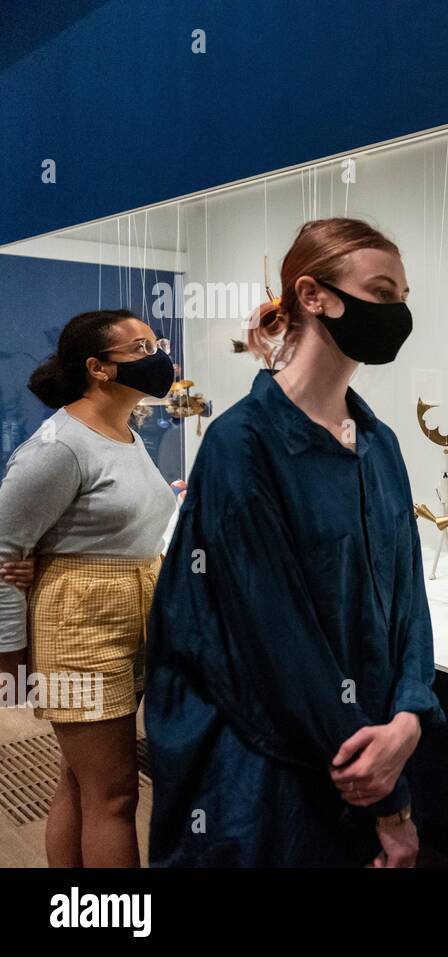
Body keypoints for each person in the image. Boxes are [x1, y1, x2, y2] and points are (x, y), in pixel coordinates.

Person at [145, 217, 445, 867]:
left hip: (362, 767)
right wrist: (384, 796)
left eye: (402, 295)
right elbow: (278, 647)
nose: (398, 311)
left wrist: (412, 712)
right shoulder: (242, 446)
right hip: (263, 788)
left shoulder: (379, 445)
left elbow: (407, 602)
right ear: (314, 296)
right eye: (383, 291)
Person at [0, 308, 178, 867]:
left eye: (157, 344)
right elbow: (5, 549)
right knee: (115, 794)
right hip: (79, 627)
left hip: (129, 616)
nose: (158, 358)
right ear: (98, 368)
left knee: (81, 782)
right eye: (141, 348)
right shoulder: (59, 445)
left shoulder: (125, 433)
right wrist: (9, 656)